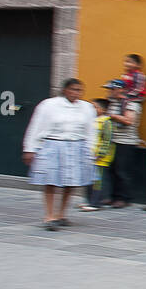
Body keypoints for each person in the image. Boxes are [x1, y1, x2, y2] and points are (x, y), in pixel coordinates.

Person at [21, 78, 96, 230]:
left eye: (79, 90)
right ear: (65, 90)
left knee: (71, 182)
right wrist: (30, 148)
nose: (76, 93)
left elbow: (91, 131)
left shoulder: (87, 108)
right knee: (51, 180)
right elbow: (35, 126)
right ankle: (49, 216)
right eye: (73, 89)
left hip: (77, 146)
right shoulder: (48, 105)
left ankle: (61, 214)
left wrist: (91, 151)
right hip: (53, 145)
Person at [103, 78, 143, 207]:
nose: (110, 92)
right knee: (112, 170)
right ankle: (113, 196)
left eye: (112, 89)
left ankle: (123, 198)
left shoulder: (131, 103)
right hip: (112, 140)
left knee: (122, 171)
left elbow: (129, 120)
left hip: (125, 141)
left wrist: (113, 117)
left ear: (121, 89)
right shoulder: (113, 103)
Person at [80, 97, 114, 211]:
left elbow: (107, 139)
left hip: (100, 158)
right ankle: (88, 201)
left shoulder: (106, 122)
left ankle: (96, 203)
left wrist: (101, 153)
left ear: (103, 110)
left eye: (95, 107)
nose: (92, 109)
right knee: (88, 181)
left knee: (97, 182)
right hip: (89, 156)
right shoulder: (92, 121)